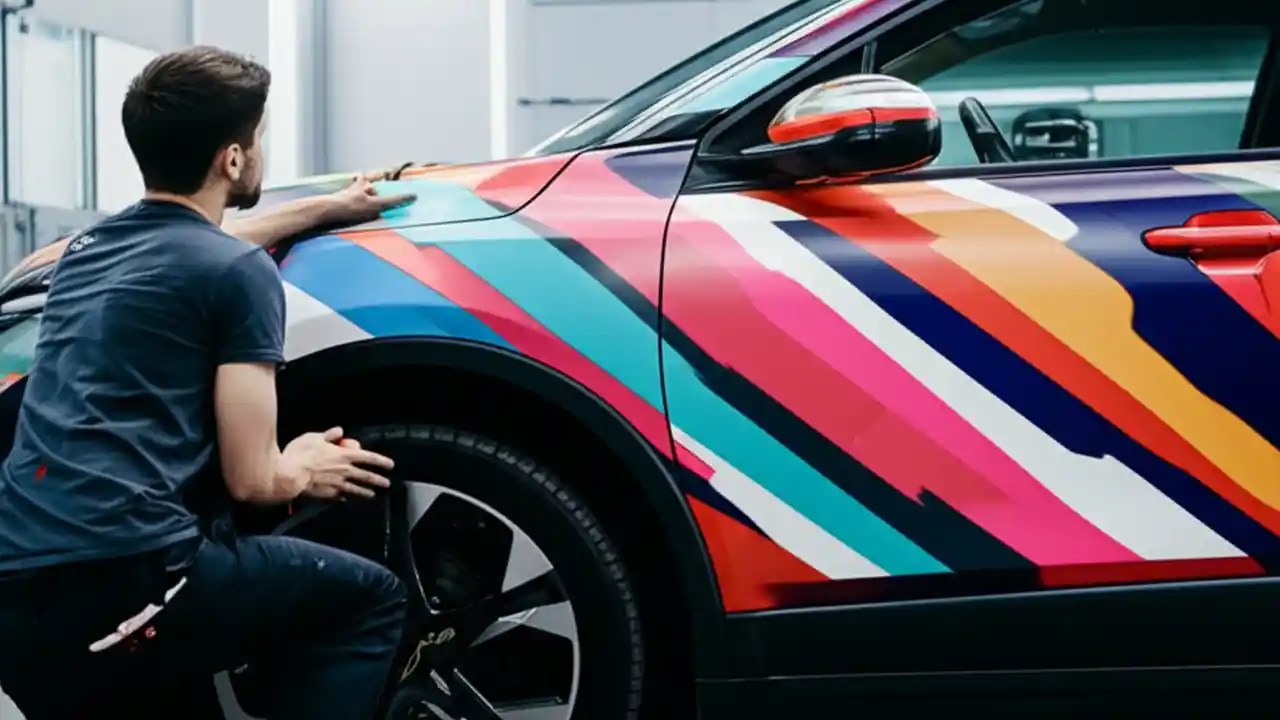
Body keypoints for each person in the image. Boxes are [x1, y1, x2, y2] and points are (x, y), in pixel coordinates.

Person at [0, 45, 419, 719]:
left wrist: (323, 209)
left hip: (17, 597)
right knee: (370, 600)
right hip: (127, 578)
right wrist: (303, 465)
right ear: (232, 157)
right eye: (258, 142)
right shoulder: (237, 275)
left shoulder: (81, 254)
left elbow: (213, 240)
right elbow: (255, 480)